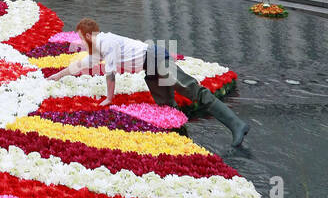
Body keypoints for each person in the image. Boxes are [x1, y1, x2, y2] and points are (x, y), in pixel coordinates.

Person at [59, 17, 250, 149]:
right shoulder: (98, 48)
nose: (80, 43)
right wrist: (56, 76)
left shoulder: (107, 43)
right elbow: (82, 64)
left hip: (156, 59)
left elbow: (110, 75)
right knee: (167, 107)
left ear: (89, 35)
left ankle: (236, 124)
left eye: (80, 38)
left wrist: (109, 98)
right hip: (149, 67)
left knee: (192, 90)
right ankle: (185, 142)